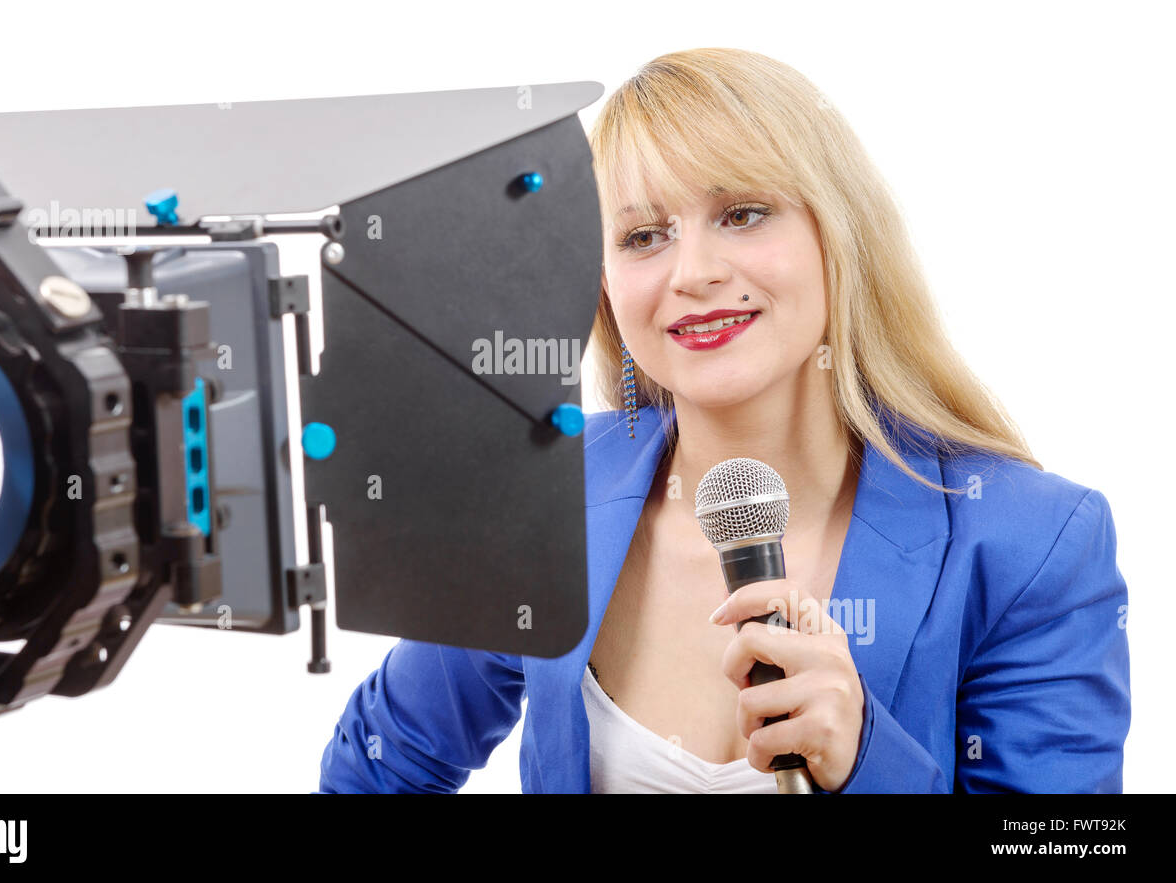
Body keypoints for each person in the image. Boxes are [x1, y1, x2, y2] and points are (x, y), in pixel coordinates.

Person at [317, 48, 1130, 793]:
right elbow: (379, 760)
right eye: (643, 235)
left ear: (837, 236)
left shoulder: (1035, 543)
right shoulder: (539, 501)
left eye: (741, 213)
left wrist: (865, 760)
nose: (695, 272)